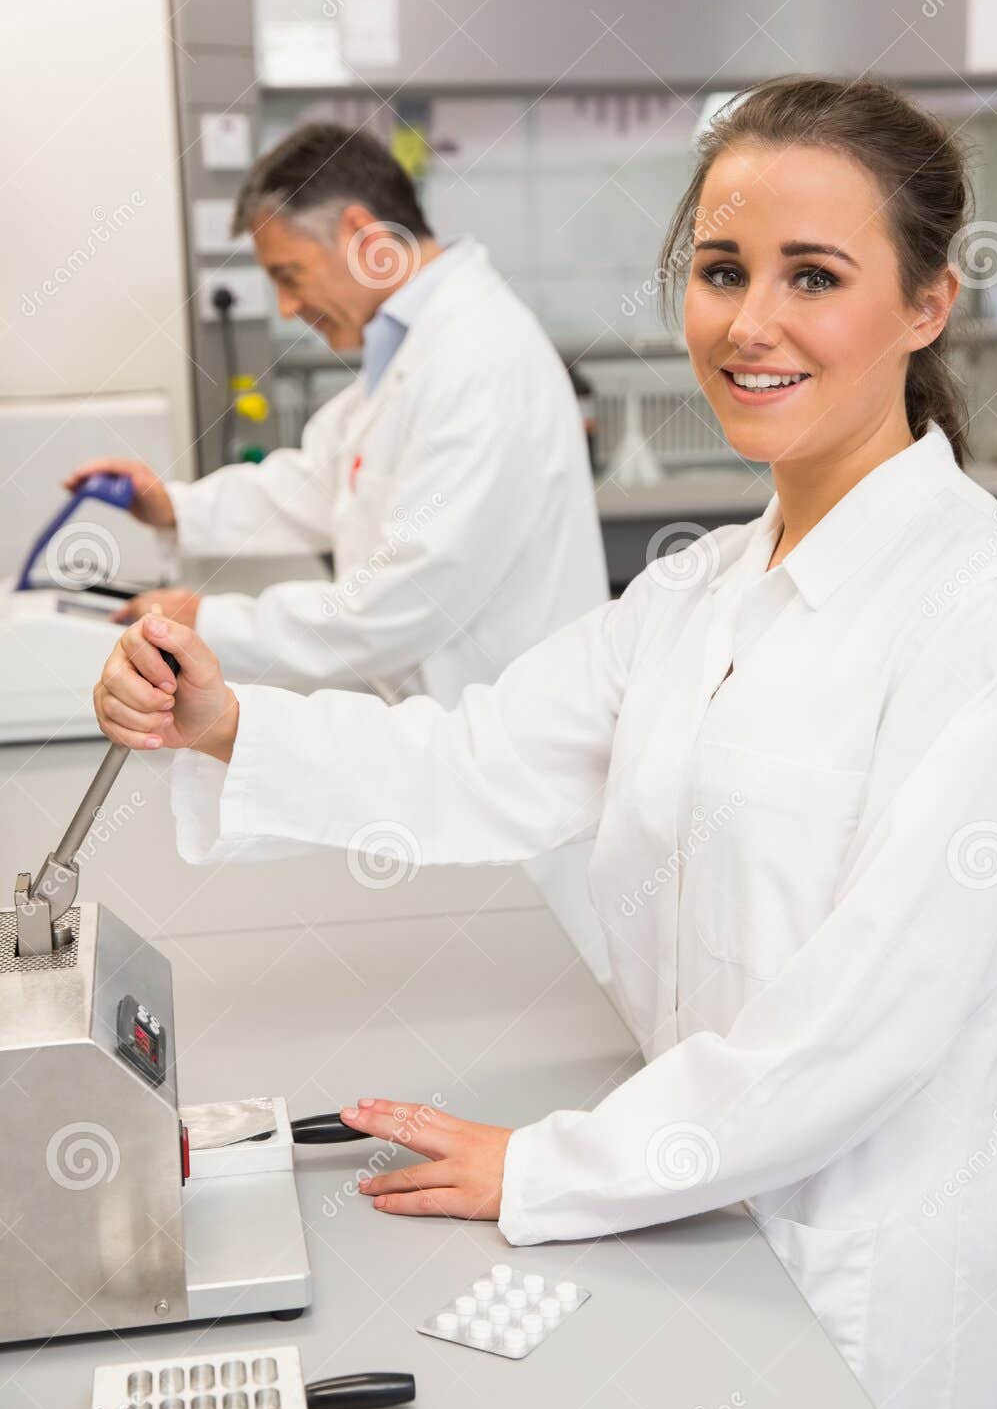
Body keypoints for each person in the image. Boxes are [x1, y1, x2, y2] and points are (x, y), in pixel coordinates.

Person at [95, 75, 997, 1409]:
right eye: (721, 271)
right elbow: (475, 754)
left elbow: (872, 1013)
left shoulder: (994, 611)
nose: (749, 323)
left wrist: (549, 1168)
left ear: (924, 303)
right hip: (693, 1208)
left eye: (814, 275)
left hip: (854, 1270)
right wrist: (224, 717)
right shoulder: (697, 591)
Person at [69, 120, 610, 976]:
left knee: (532, 1006)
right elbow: (319, 481)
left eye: (289, 275)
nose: (286, 307)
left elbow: (405, 600)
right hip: (446, 765)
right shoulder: (406, 356)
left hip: (516, 789)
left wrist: (204, 619)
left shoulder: (481, 358)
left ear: (362, 238)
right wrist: (170, 506)